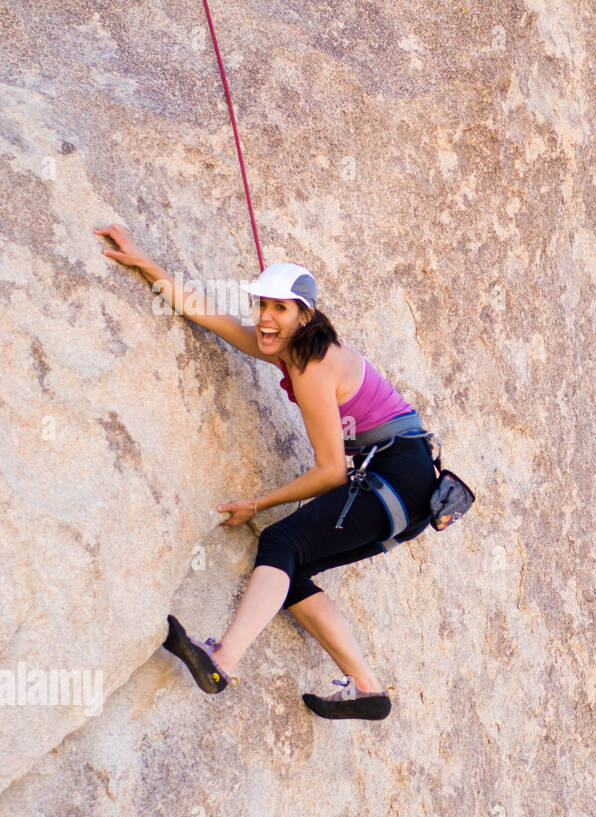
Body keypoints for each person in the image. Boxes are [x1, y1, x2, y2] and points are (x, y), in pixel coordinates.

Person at [94, 224, 439, 721]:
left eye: (280, 308)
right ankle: (367, 689)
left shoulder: (315, 365)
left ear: (307, 315)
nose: (266, 318)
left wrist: (257, 505)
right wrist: (143, 262)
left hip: (398, 477)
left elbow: (329, 472)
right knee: (290, 573)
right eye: (262, 306)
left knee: (281, 543)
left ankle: (222, 659)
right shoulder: (287, 348)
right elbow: (210, 319)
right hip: (409, 494)